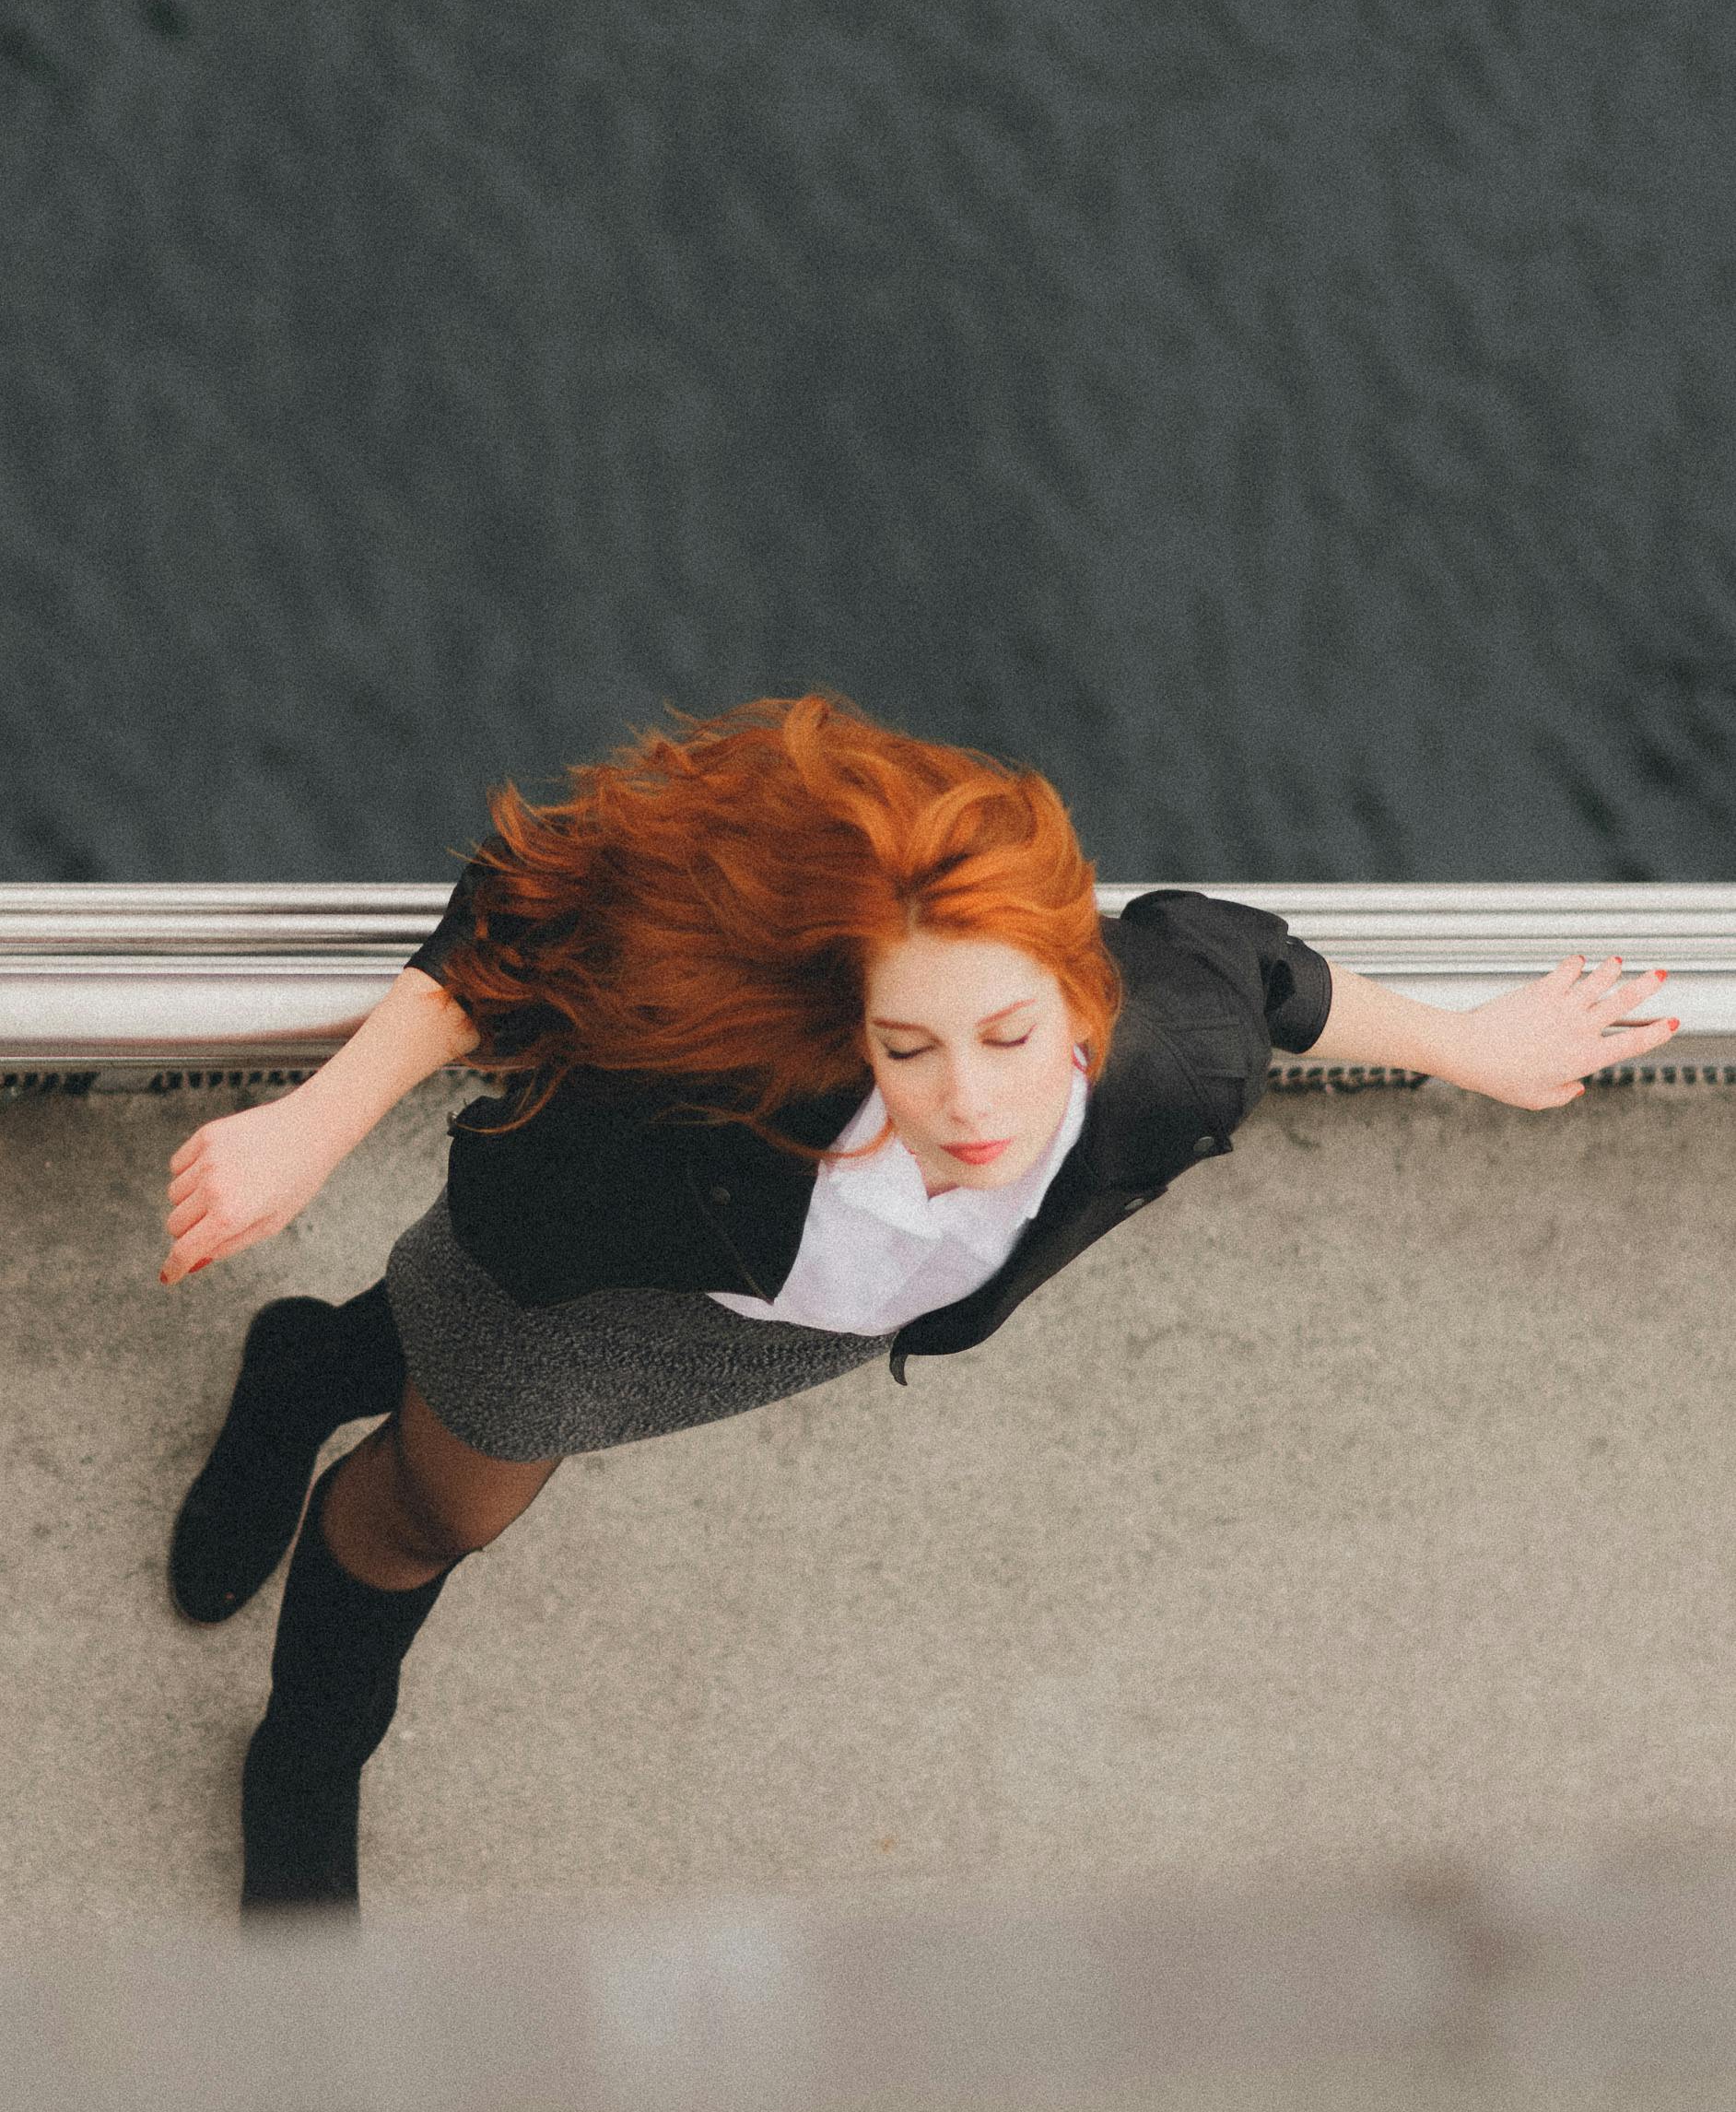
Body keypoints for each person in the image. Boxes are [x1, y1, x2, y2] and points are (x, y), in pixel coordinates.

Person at [157, 694, 1678, 1915]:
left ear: (1083, 994)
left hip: (812, 1311)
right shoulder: (750, 1062)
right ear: (853, 1023)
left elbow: (1261, 969)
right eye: (910, 1048)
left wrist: (1470, 1046)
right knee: (439, 1513)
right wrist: (315, 1124)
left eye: (1012, 1035)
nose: (971, 1108)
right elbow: (521, 914)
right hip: (577, 1266)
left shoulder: (1177, 1057)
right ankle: (304, 1765)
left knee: (438, 1391)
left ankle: (307, 1364)